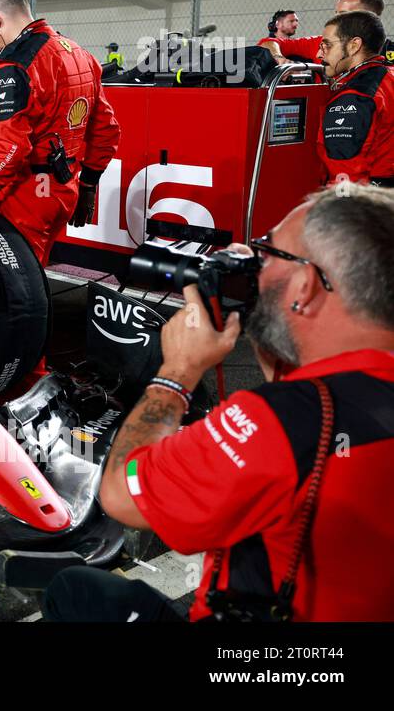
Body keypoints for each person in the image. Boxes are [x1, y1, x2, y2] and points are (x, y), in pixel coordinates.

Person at [46, 185, 394, 621]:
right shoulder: (334, 402)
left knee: (76, 591)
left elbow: (123, 495)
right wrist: (276, 330)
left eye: (268, 256)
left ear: (304, 286)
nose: (256, 270)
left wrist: (177, 373)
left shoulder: (279, 423)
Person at [0, 0, 121, 264]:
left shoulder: (14, 62)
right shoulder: (79, 53)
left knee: (17, 282)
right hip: (65, 187)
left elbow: (11, 145)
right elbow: (106, 128)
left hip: (28, 192)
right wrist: (89, 186)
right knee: (35, 270)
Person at [314, 9, 394, 186]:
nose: (319, 54)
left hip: (371, 203)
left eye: (327, 45)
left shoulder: (355, 96)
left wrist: (340, 209)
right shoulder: (388, 77)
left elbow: (345, 174)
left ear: (353, 45)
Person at [260, 0, 394, 63]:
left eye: (344, 14)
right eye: (336, 14)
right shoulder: (320, 43)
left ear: (370, 17)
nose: (336, 19)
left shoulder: (389, 54)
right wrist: (279, 58)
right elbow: (268, 42)